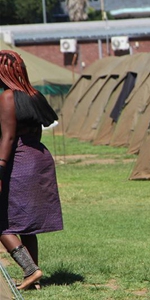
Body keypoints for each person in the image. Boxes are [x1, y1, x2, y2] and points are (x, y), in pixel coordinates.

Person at [0, 50, 63, 290]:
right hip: (39, 158)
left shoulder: (7, 97)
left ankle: (30, 269)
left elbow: (7, 138)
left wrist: (0, 171)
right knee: (26, 225)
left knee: (3, 223)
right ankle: (33, 279)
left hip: (18, 161)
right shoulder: (34, 95)